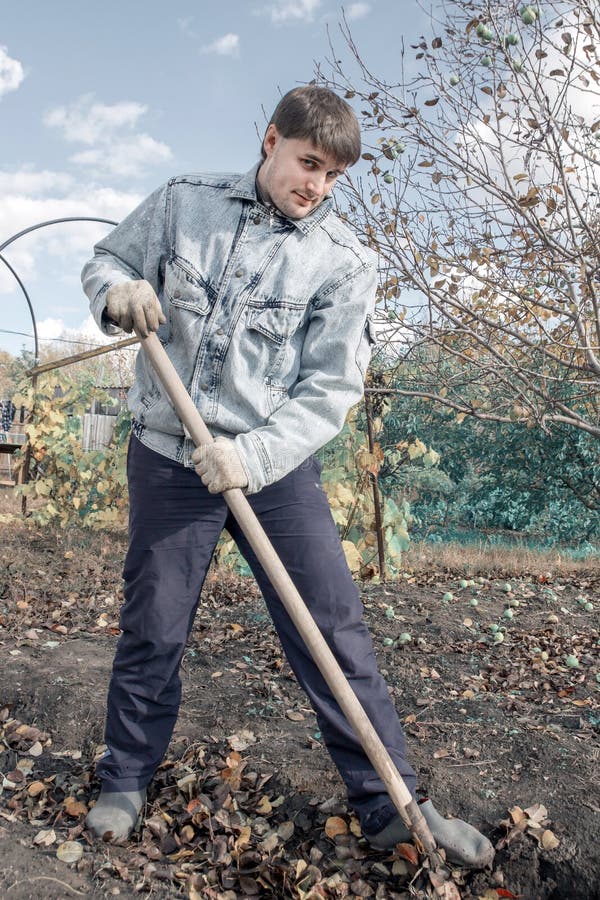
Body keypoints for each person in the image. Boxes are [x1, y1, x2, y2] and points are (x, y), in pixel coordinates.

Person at [81, 85, 494, 868]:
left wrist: (252, 457)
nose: (318, 186)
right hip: (170, 453)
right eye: (309, 164)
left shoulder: (343, 260)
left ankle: (392, 803)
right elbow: (108, 259)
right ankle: (125, 778)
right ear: (271, 140)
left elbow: (330, 389)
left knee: (332, 629)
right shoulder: (183, 203)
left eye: (333, 176)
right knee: (155, 623)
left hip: (272, 466)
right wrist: (116, 290)